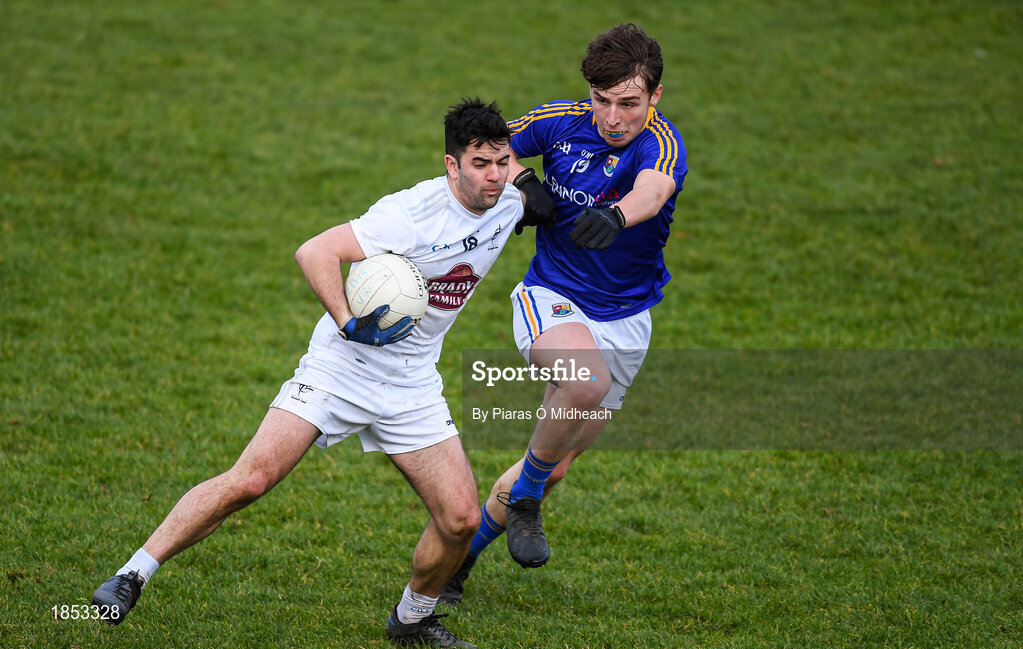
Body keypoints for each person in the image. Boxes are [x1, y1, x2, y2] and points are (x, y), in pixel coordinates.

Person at [90, 97, 530, 648]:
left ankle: (413, 620)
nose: (494, 176)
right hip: (341, 367)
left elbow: (549, 183)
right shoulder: (409, 213)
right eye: (480, 164)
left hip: (412, 380)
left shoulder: (511, 201)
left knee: (463, 518)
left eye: (501, 162)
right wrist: (348, 323)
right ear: (450, 165)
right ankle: (131, 575)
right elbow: (315, 251)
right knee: (250, 479)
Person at [441, 23, 688, 604]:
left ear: (654, 97)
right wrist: (524, 180)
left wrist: (618, 217)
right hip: (551, 297)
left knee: (552, 467)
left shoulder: (663, 143)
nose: (611, 117)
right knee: (585, 381)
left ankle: (459, 561)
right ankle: (523, 499)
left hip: (626, 320)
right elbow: (488, 144)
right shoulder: (562, 120)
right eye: (601, 100)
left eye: (628, 103)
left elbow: (652, 191)